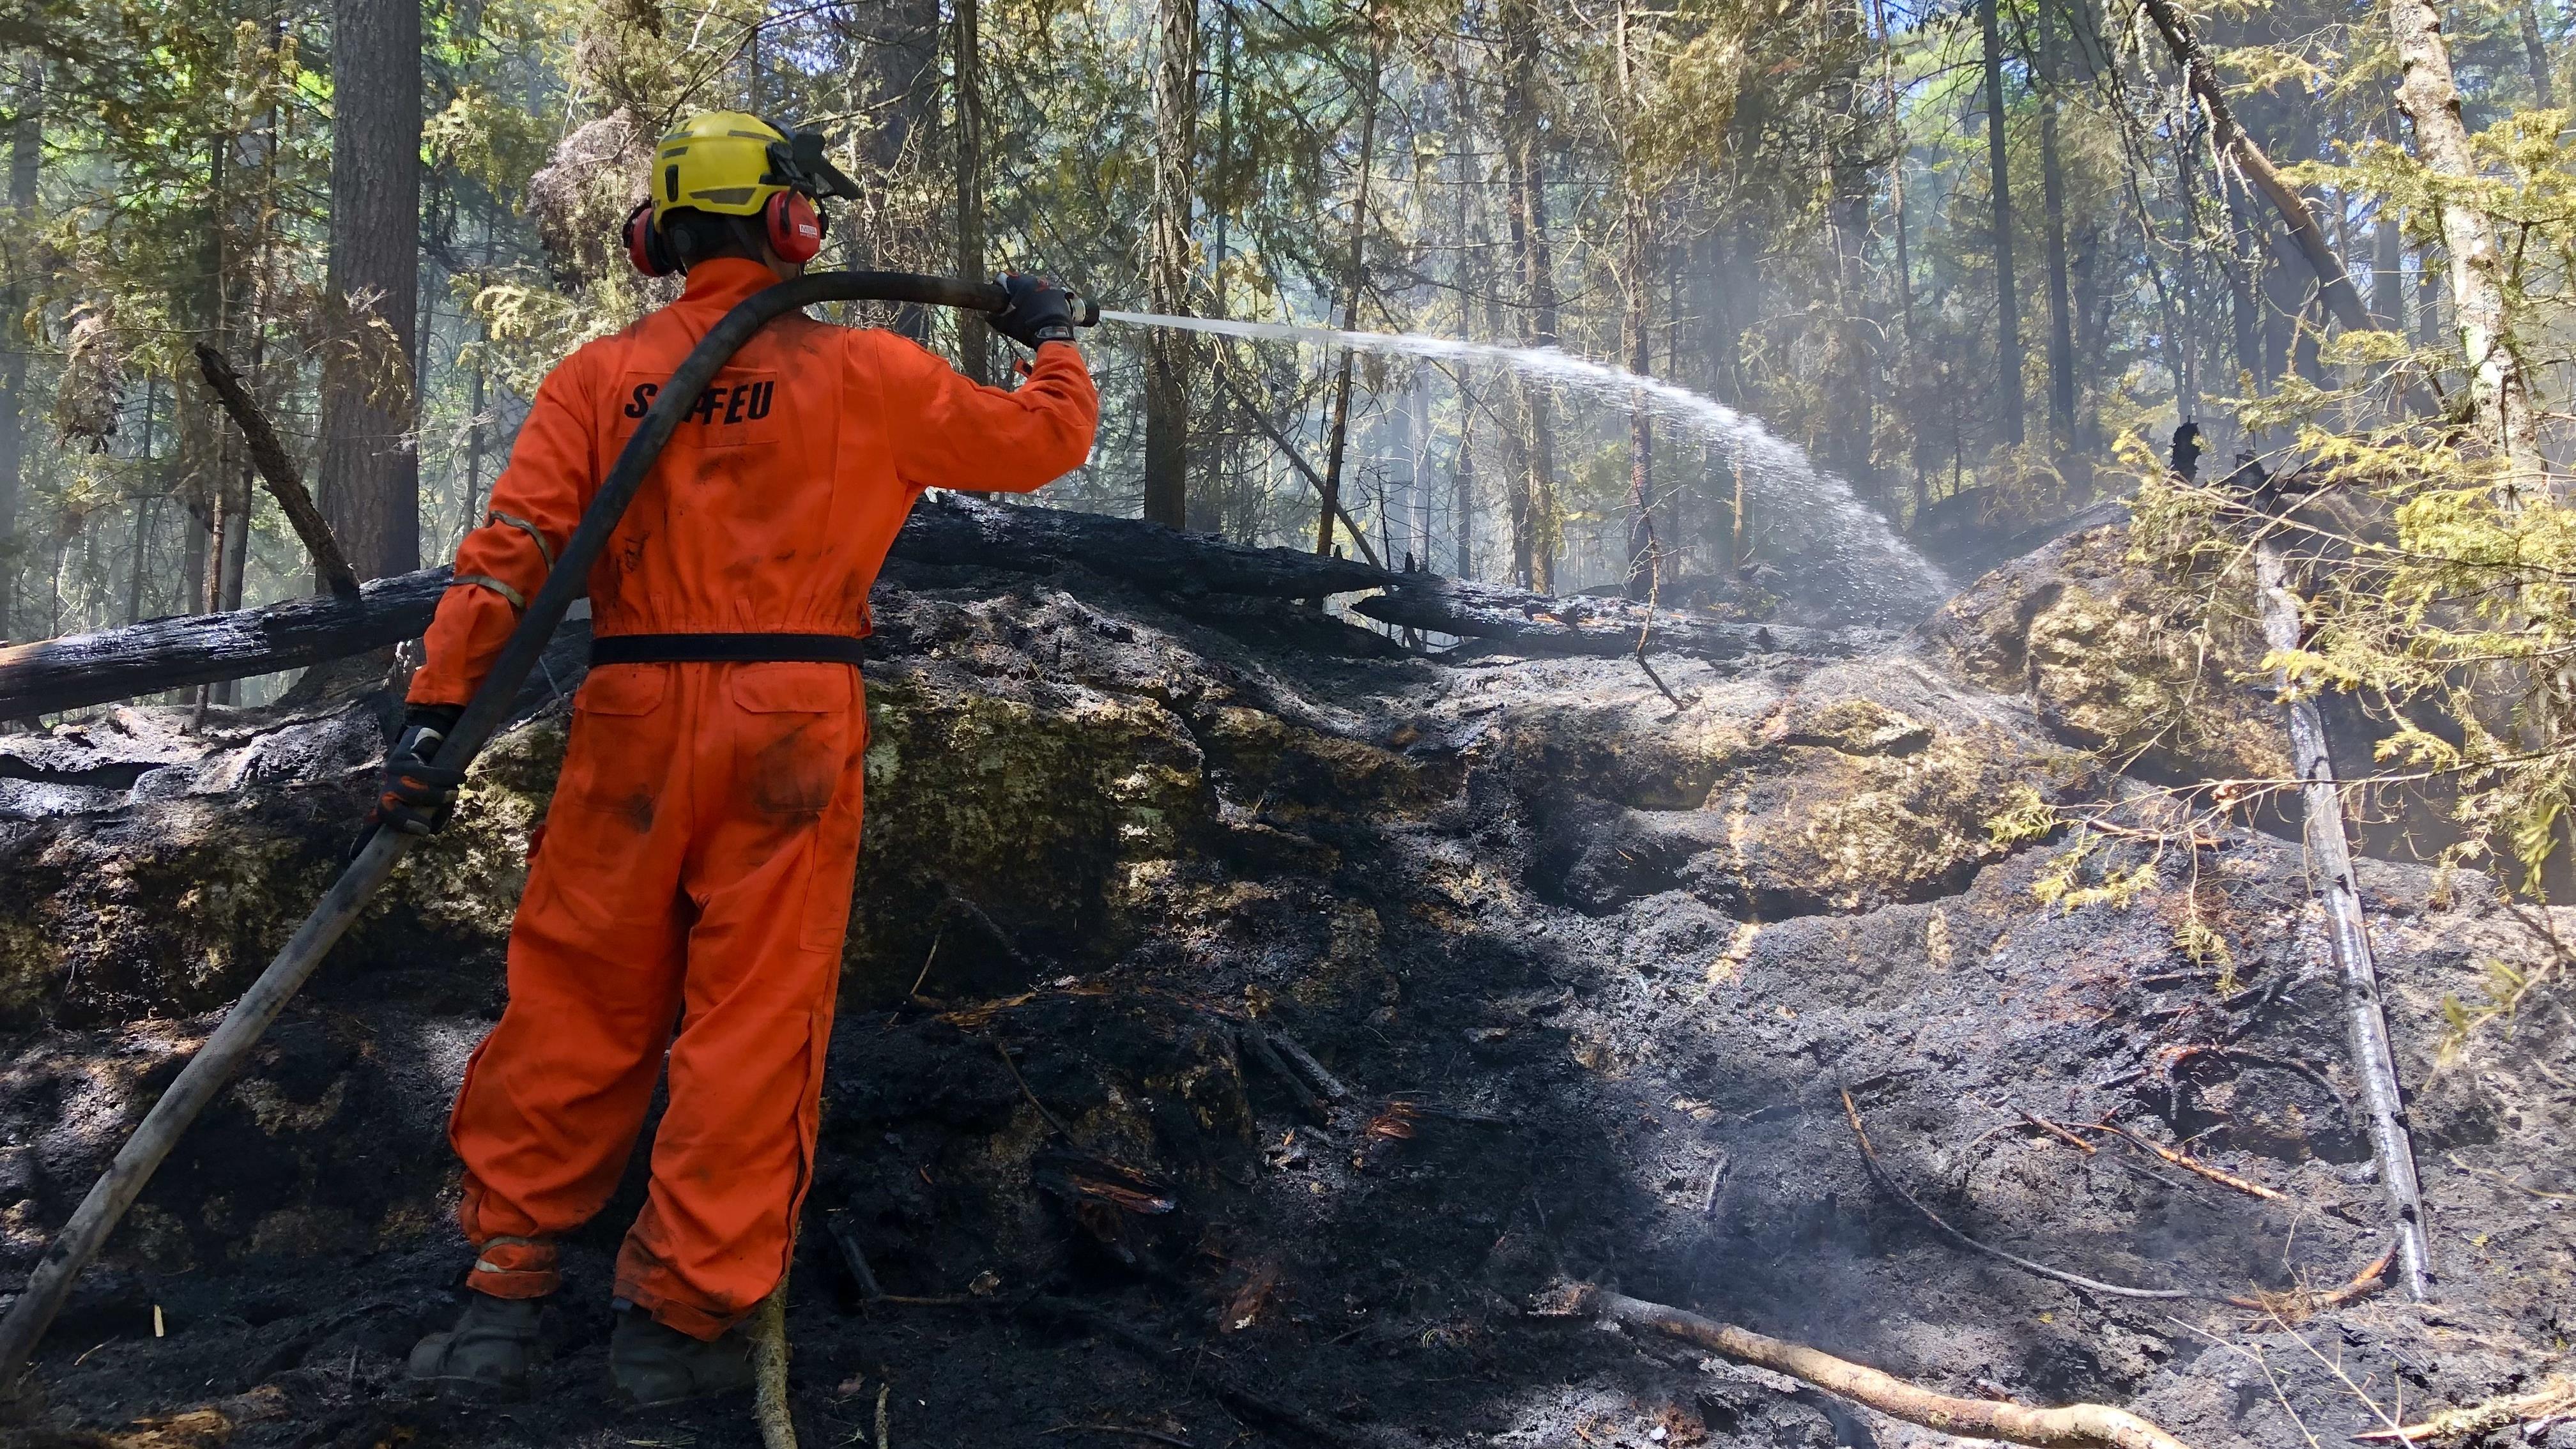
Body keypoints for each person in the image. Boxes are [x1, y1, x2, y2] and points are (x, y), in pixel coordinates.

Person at [388, 111, 1099, 1406]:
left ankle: (500, 1296)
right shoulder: (868, 374)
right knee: (752, 1023)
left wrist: (438, 712)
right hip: (790, 719)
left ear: (661, 235)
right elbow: (1041, 445)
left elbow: (515, 549)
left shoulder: (600, 379)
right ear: (790, 225)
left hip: (631, 720)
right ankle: (671, 1327)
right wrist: (1053, 341)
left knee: (574, 998)